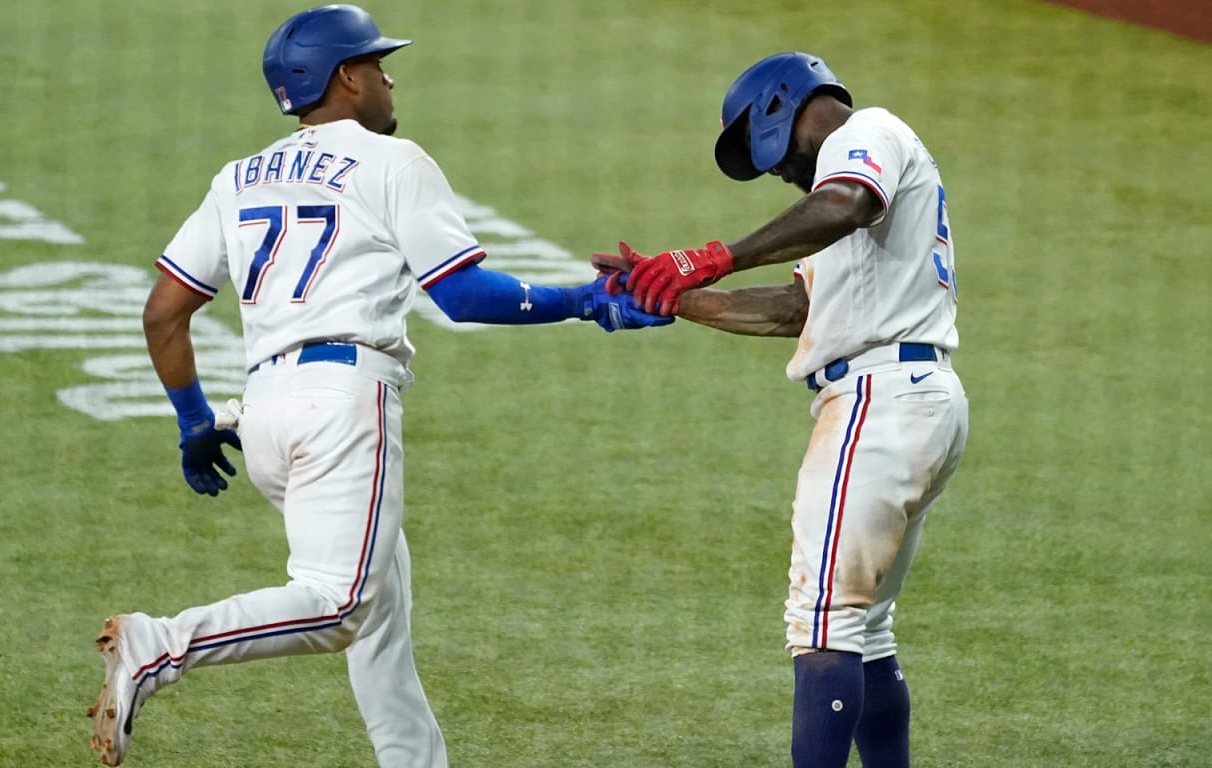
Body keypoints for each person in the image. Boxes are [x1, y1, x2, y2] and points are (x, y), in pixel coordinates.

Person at [85, 5, 668, 766]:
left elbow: (165, 312)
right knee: (340, 606)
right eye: (377, 64)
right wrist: (584, 301)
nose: (390, 78)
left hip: (263, 413)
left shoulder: (237, 178)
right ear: (347, 79)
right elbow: (461, 295)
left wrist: (195, 422)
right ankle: (156, 647)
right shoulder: (394, 163)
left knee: (380, 613)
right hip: (341, 407)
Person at [600, 52, 969, 768]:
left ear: (783, 108)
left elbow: (843, 203)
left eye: (764, 152)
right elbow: (795, 310)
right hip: (912, 403)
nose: (774, 172)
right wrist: (672, 295)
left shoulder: (867, 136)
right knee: (866, 628)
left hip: (880, 406)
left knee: (823, 623)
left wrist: (712, 256)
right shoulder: (845, 193)